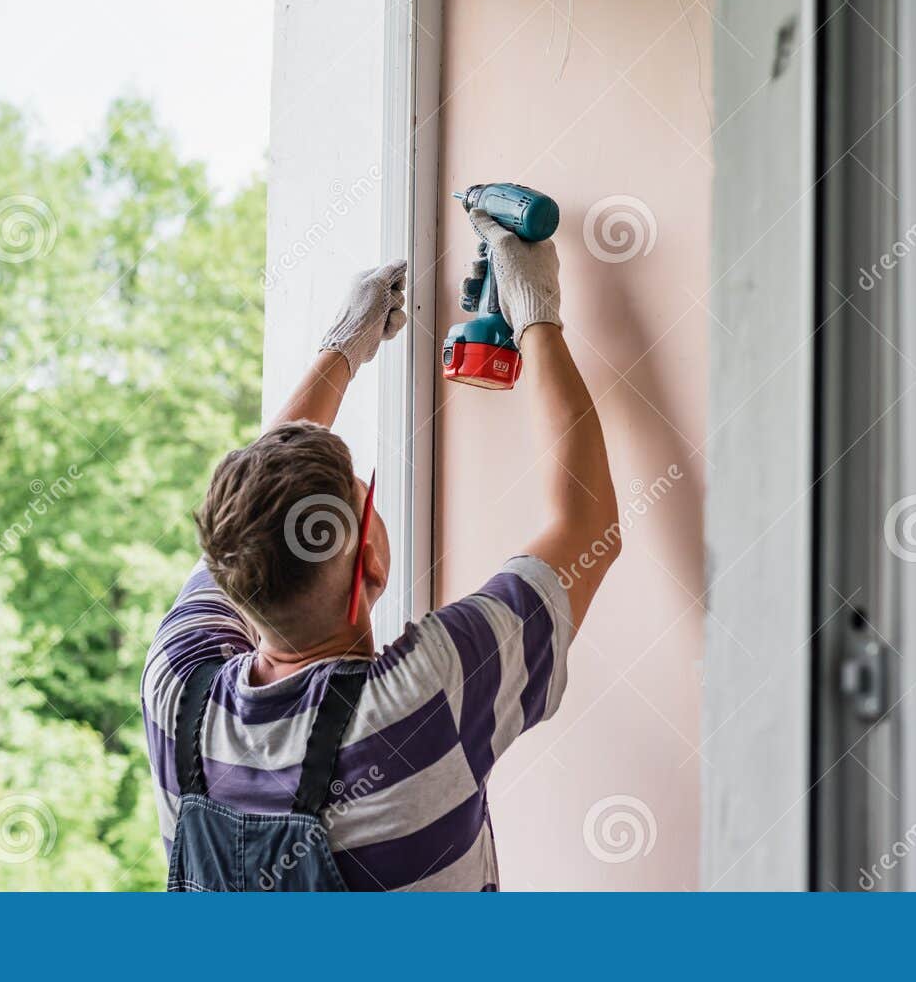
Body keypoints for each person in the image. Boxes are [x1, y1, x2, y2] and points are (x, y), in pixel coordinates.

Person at [140, 208, 618, 890]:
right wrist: (538, 315)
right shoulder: (421, 702)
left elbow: (247, 521)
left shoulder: (176, 691)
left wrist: (341, 347)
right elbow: (585, 525)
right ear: (372, 560)